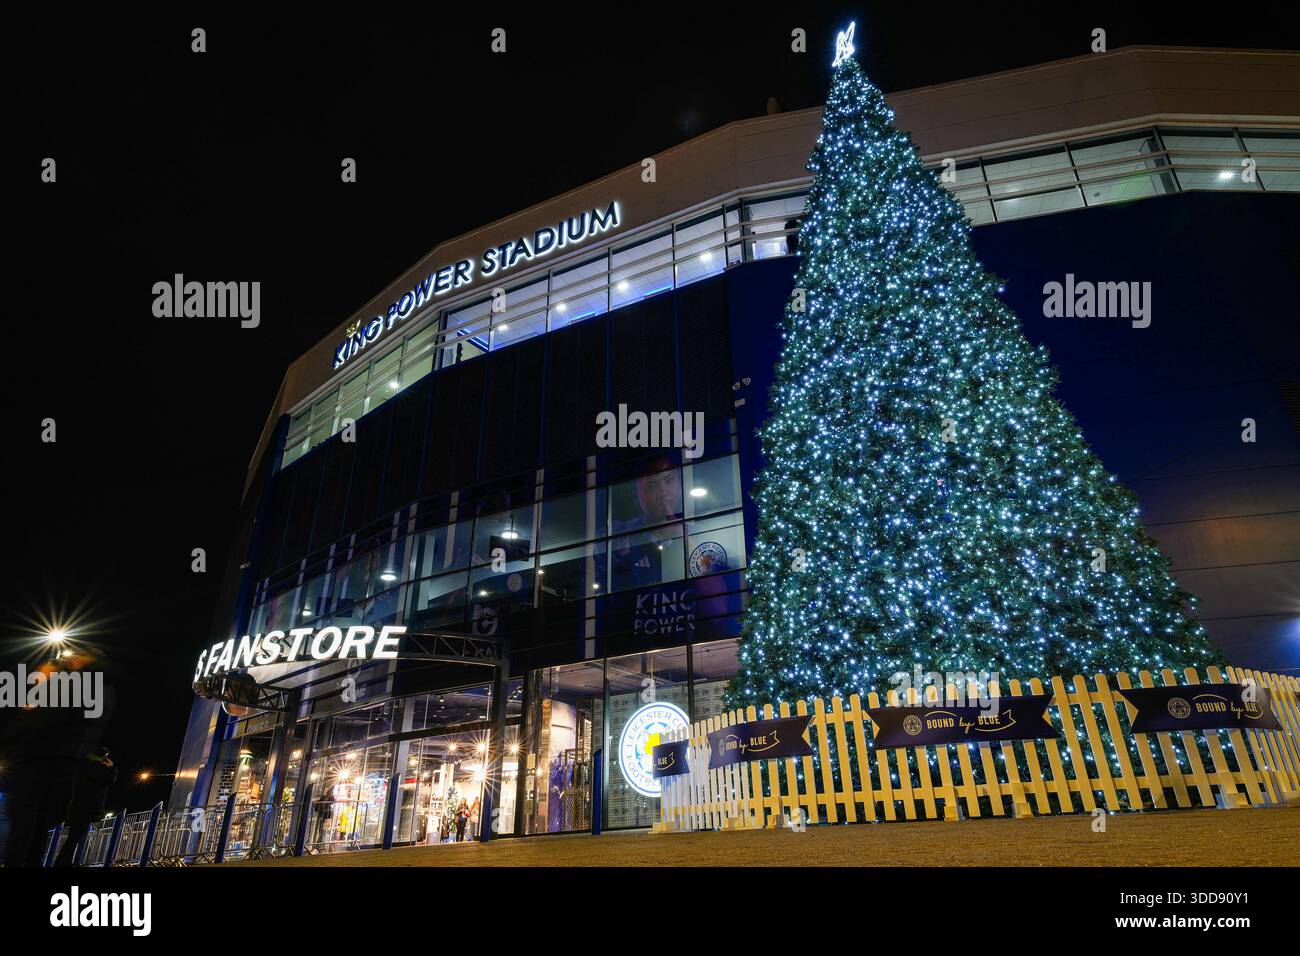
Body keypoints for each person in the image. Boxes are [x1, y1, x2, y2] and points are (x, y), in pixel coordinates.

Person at [2, 648, 116, 867]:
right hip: (63, 763)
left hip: (40, 757)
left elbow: (43, 720)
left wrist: (34, 701)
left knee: (24, 817)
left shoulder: (75, 684)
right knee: (37, 820)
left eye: (79, 656)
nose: (73, 659)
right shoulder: (103, 689)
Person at [53, 746, 117, 867]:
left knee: (73, 838)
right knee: (73, 839)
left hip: (79, 808)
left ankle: (64, 862)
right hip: (85, 809)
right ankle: (62, 863)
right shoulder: (93, 767)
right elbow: (109, 779)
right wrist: (112, 768)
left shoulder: (85, 766)